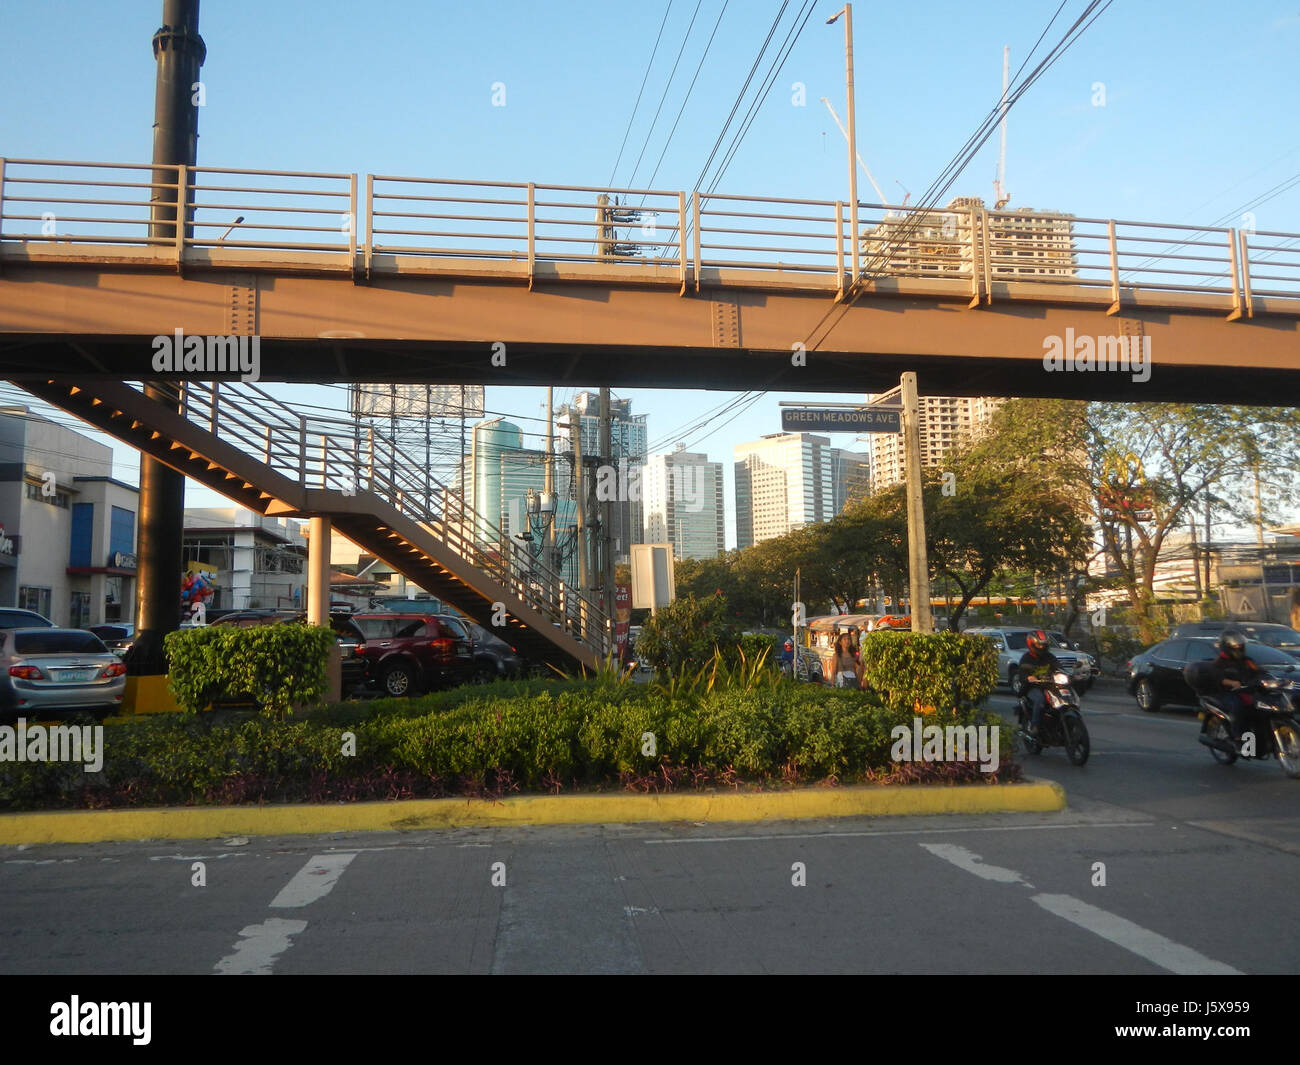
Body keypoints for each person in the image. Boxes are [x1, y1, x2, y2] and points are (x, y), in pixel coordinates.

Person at [1207, 629, 1263, 740]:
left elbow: (1258, 671)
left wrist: (1270, 678)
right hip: (1227, 692)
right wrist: (1232, 683)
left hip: (1246, 690)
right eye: (1236, 645)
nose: (1239, 647)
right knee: (1237, 707)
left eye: (1240, 644)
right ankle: (1237, 736)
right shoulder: (1220, 662)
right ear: (1227, 646)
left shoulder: (1246, 660)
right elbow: (1218, 678)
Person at [1016, 629, 1061, 737]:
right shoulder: (1026, 658)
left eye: (1044, 645)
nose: (1042, 647)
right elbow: (1022, 673)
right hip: (1032, 687)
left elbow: (1058, 667)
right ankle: (1035, 726)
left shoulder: (1049, 657)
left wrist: (1066, 673)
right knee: (1040, 700)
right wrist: (1028, 677)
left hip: (1049, 685)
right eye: (1039, 645)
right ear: (1031, 644)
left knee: (1062, 698)